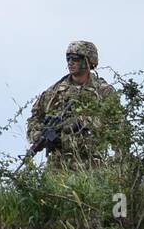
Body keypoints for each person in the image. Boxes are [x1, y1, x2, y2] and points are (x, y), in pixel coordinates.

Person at [26, 40, 125, 171]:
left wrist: (82, 122)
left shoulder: (103, 91)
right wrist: (38, 135)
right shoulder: (54, 92)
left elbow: (117, 123)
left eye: (76, 59)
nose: (70, 62)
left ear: (88, 61)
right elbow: (34, 118)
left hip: (92, 164)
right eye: (68, 58)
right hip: (58, 165)